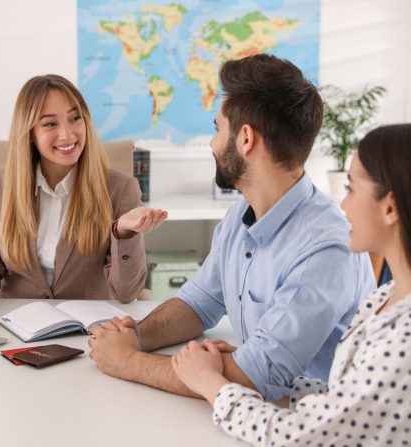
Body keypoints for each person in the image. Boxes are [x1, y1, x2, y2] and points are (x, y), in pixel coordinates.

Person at [89, 54, 375, 403]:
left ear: (245, 139)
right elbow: (199, 303)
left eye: (217, 129)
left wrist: (128, 361)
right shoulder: (243, 213)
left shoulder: (326, 248)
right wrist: (135, 337)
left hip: (309, 422)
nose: (212, 143)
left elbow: (256, 376)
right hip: (253, 414)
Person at [172, 124, 411, 445]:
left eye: (352, 189)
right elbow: (346, 399)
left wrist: (212, 383)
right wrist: (252, 371)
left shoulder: (402, 338)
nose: (343, 205)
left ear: (390, 207)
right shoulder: (386, 299)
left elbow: (297, 437)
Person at [0, 74, 167, 315]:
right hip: (17, 323)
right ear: (29, 132)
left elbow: (127, 292)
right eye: (50, 124)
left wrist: (123, 233)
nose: (67, 134)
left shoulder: (120, 188)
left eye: (75, 118)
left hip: (87, 328)